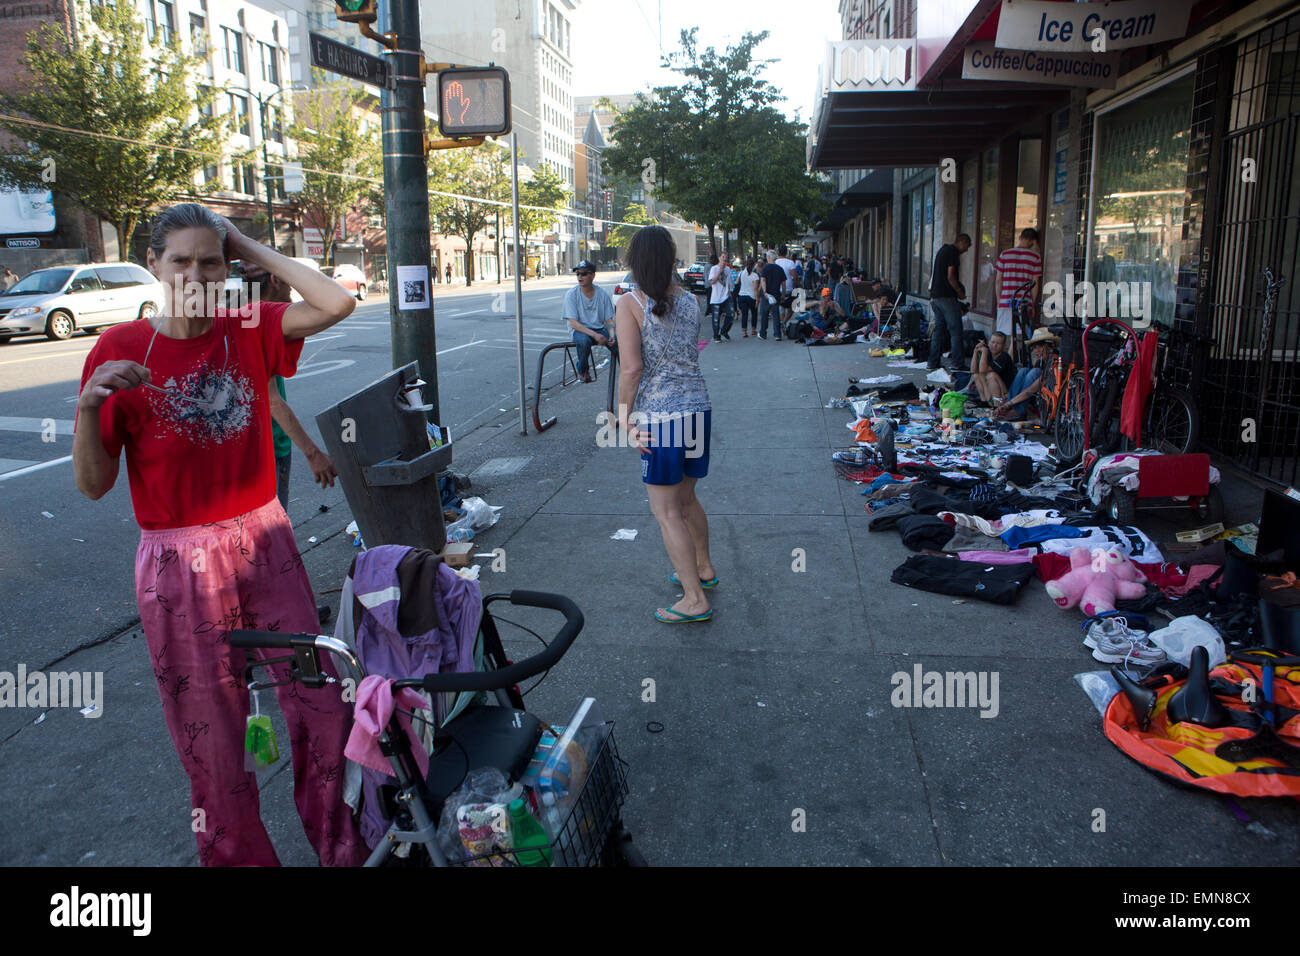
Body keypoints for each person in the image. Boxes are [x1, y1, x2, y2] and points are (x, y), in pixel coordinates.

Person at [73, 203, 366, 867]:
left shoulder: (248, 326)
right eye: (181, 260)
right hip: (180, 567)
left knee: (322, 709)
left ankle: (344, 850)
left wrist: (247, 244)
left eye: (211, 260)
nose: (196, 274)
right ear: (154, 264)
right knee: (213, 744)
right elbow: (92, 485)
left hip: (266, 544)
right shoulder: (118, 351)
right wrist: (91, 407)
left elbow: (336, 301)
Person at [614, 225, 715, 624]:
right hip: (698, 408)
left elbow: (631, 368)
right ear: (671, 258)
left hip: (662, 418)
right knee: (687, 500)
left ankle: (693, 599)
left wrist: (622, 418)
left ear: (635, 262)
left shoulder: (629, 303)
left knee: (666, 510)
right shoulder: (692, 301)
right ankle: (703, 570)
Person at [237, 261, 339, 508]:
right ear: (275, 279)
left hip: (256, 444)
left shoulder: (244, 314)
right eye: (289, 283)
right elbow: (335, 303)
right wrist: (313, 453)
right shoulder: (259, 319)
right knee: (269, 533)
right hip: (267, 447)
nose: (293, 292)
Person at [564, 258, 615, 383]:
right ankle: (583, 370)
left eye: (584, 274)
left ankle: (627, 372)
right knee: (584, 341)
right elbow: (573, 323)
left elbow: (608, 320)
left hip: (599, 329)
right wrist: (595, 335)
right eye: (578, 274)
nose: (580, 277)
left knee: (618, 344)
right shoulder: (572, 294)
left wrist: (612, 335)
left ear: (592, 275)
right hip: (580, 330)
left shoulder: (602, 294)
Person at [927, 233, 972, 373]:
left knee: (939, 331)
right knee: (956, 331)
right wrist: (959, 292)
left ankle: (932, 362)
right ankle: (957, 363)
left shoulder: (942, 250)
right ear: (962, 242)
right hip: (947, 297)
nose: (967, 249)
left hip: (936, 297)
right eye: (967, 246)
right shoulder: (953, 252)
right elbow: (951, 275)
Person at [994, 327, 1057, 420]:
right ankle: (1009, 409)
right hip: (1032, 398)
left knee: (1035, 372)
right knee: (1023, 371)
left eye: (1039, 346)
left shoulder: (1054, 362)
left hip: (1045, 400)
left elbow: (1032, 389)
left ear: (1049, 346)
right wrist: (1009, 401)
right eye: (1034, 348)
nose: (1036, 351)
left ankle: (1016, 410)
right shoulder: (1041, 363)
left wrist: (1009, 403)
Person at [995, 227, 1042, 337]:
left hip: (1006, 300)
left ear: (1020, 237)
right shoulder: (1035, 257)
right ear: (1033, 241)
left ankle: (1006, 354)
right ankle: (1011, 354)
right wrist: (1033, 304)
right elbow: (1035, 283)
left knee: (1002, 335)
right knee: (1019, 335)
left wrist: (999, 300)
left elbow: (998, 280)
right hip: (1024, 302)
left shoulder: (1005, 254)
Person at [969, 330, 1017, 404]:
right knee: (976, 375)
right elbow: (973, 370)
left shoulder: (1004, 357)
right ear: (988, 342)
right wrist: (975, 352)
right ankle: (985, 402)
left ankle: (997, 405)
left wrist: (984, 352)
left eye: (998, 343)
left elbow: (983, 370)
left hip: (1007, 392)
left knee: (991, 375)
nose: (994, 345)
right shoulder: (989, 353)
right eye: (992, 342)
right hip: (992, 389)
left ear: (1004, 346)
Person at [758, 251, 787, 341]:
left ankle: (763, 333)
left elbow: (763, 280)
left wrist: (765, 291)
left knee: (764, 314)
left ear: (768, 257)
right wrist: (783, 295)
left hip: (767, 295)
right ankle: (777, 334)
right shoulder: (779, 269)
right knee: (776, 314)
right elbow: (783, 284)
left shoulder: (765, 268)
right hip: (776, 294)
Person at [706, 252, 734, 342]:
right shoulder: (714, 268)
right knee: (716, 318)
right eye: (723, 257)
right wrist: (719, 271)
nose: (724, 259)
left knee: (731, 314)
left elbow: (728, 282)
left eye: (726, 258)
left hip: (726, 296)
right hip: (716, 297)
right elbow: (712, 281)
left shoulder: (728, 269)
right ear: (719, 258)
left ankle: (724, 331)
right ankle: (716, 336)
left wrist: (729, 291)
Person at [736, 257, 759, 337]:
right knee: (754, 313)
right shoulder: (755, 276)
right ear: (753, 266)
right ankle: (753, 330)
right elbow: (755, 288)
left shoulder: (741, 273)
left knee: (744, 314)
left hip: (742, 296)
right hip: (751, 297)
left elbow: (737, 282)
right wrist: (757, 299)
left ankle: (744, 331)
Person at [774, 245, 797, 325]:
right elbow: (795, 276)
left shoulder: (775, 262)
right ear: (787, 252)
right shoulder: (790, 262)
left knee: (781, 308)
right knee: (792, 308)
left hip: (777, 288)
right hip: (788, 288)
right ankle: (784, 323)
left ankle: (782, 324)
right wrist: (799, 285)